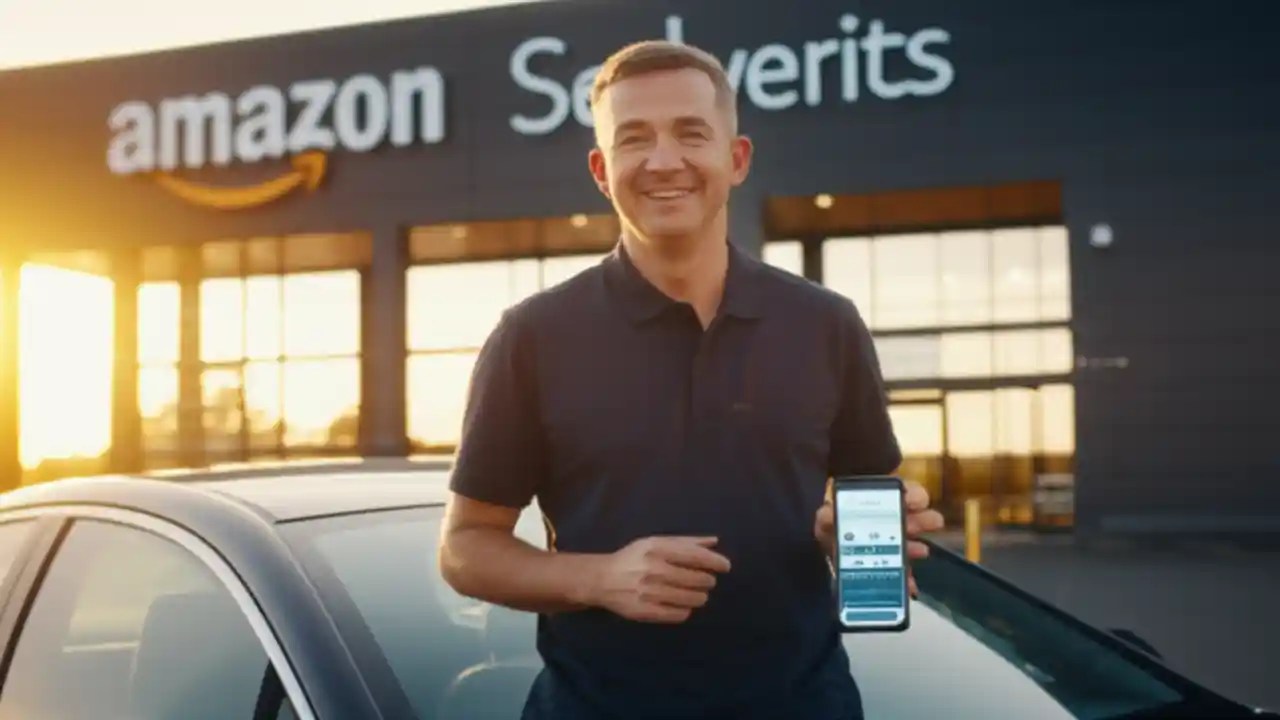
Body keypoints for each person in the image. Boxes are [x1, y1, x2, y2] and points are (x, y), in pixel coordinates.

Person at [439, 39, 945, 720]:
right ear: (600, 169)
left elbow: (863, 502)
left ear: (736, 159)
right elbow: (465, 548)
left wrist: (849, 537)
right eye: (633, 139)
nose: (663, 161)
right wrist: (602, 577)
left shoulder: (826, 324)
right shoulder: (533, 337)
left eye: (690, 133)